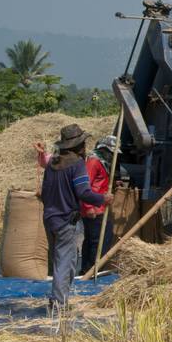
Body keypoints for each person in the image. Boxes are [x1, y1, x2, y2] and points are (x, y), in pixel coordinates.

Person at [39, 124, 111, 315]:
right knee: (66, 263)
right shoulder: (77, 164)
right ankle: (59, 305)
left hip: (50, 219)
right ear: (78, 146)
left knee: (60, 262)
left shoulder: (52, 164)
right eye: (83, 144)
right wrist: (102, 199)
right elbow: (83, 192)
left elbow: (44, 193)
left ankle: (57, 299)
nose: (85, 147)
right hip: (66, 221)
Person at [79, 135, 128, 275]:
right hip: (94, 207)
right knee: (98, 240)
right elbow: (86, 186)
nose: (113, 156)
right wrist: (89, 207)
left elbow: (99, 182)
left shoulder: (102, 162)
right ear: (104, 149)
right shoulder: (94, 161)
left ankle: (87, 270)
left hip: (97, 206)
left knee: (92, 239)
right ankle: (92, 270)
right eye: (111, 153)